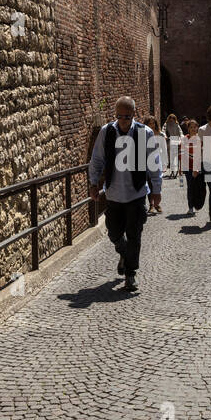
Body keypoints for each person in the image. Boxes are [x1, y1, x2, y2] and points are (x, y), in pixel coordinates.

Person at [88, 96, 162, 291]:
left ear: (133, 115)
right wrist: (93, 183)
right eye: (119, 117)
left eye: (127, 117)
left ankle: (131, 274)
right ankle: (123, 251)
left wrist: (156, 190)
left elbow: (154, 164)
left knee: (135, 235)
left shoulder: (144, 133)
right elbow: (97, 159)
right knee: (114, 233)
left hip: (136, 194)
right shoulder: (107, 132)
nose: (123, 121)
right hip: (113, 194)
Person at [179, 118, 206, 216]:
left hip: (199, 166)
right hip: (188, 167)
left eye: (195, 127)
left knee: (199, 186)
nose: (193, 129)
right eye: (191, 127)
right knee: (190, 187)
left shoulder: (200, 139)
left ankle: (198, 203)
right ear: (188, 129)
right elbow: (181, 154)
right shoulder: (184, 139)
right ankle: (190, 207)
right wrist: (180, 168)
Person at [144, 115, 166, 214]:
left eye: (153, 123)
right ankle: (151, 205)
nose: (151, 125)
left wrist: (165, 163)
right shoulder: (144, 134)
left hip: (158, 161)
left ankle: (157, 204)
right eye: (149, 123)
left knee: (157, 183)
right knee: (149, 182)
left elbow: (164, 149)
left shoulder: (160, 134)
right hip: (146, 161)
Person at [164, 114, 182, 178]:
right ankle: (172, 171)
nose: (171, 120)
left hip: (176, 141)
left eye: (173, 119)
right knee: (171, 157)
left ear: (175, 119)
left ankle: (176, 170)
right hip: (170, 141)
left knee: (176, 157)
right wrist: (165, 136)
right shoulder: (166, 124)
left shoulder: (177, 124)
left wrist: (181, 139)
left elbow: (180, 132)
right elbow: (163, 130)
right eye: (170, 118)